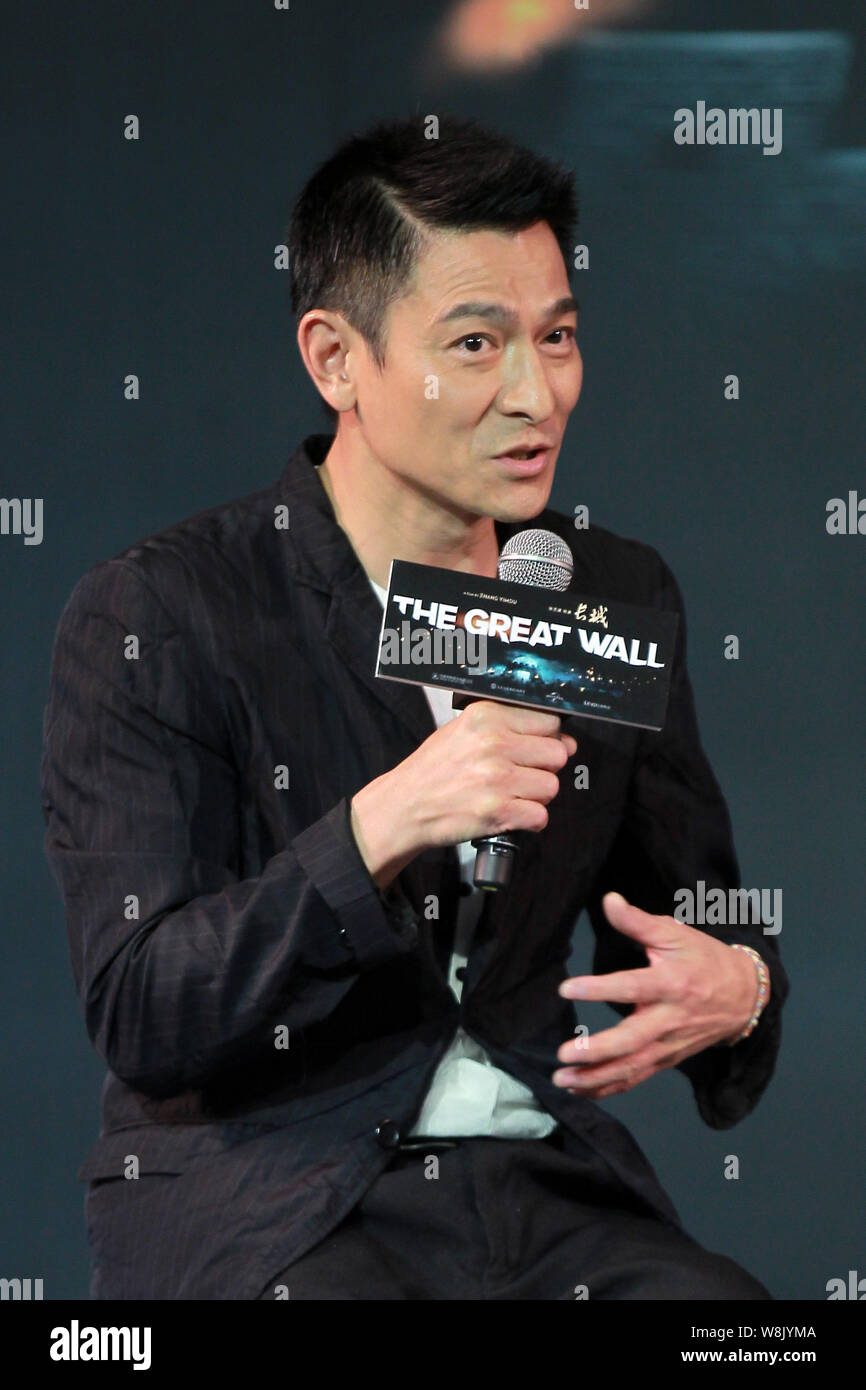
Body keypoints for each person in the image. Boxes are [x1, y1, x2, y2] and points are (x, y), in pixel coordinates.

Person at [41, 117, 788, 1300]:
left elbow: (700, 903)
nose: (533, 392)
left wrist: (739, 987)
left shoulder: (604, 593)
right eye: (476, 343)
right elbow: (142, 1005)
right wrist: (375, 829)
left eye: (557, 337)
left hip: (549, 1196)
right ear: (337, 359)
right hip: (282, 1202)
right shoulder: (167, 608)